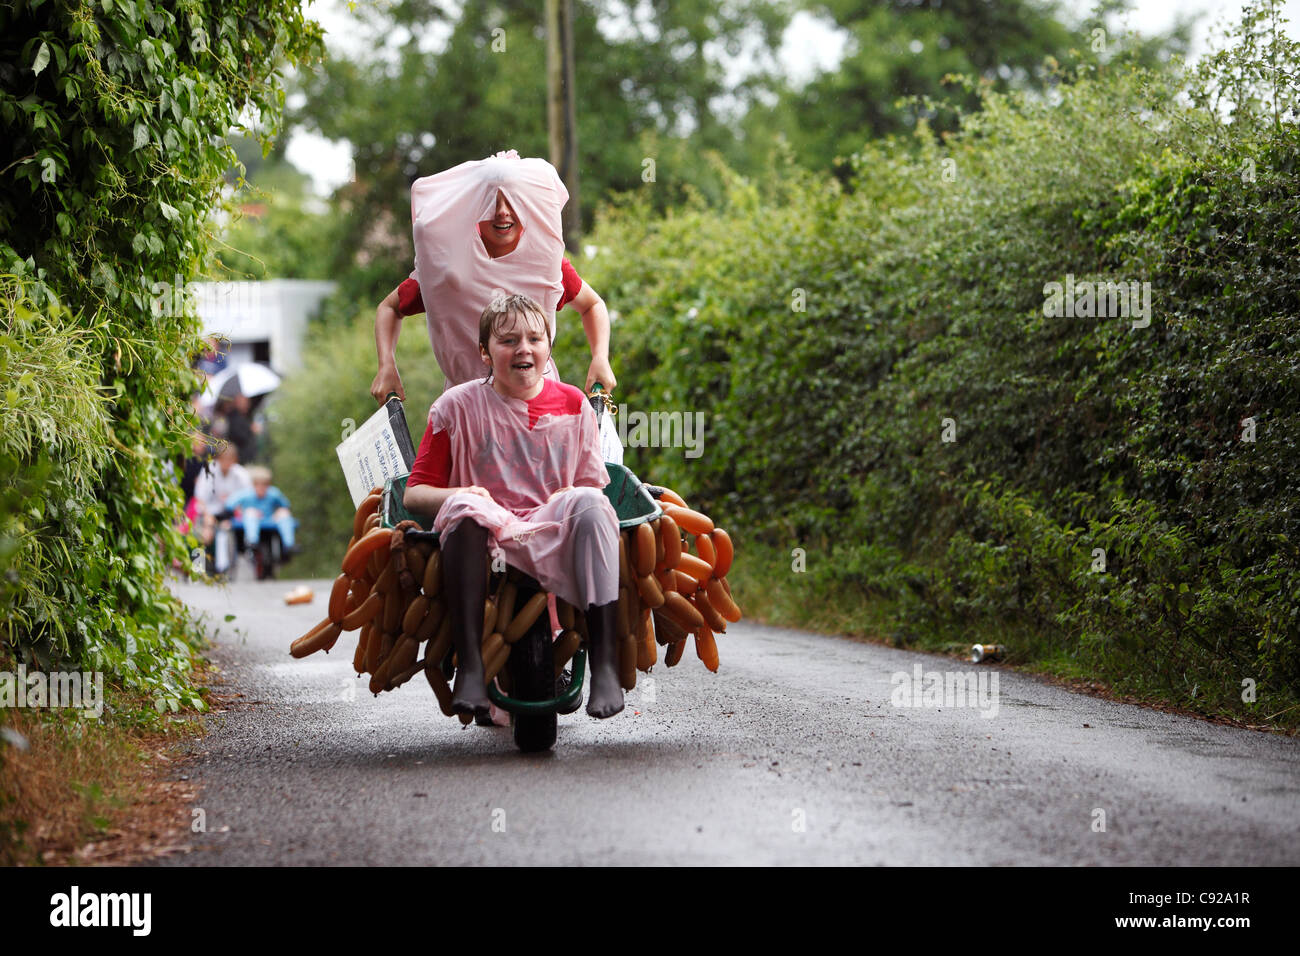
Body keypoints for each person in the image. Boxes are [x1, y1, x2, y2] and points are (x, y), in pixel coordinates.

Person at [402, 294, 624, 720]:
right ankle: (469, 665)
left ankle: (606, 667)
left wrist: (569, 496)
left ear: (548, 349)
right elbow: (415, 494)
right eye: (508, 341)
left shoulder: (574, 403)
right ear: (484, 352)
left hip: (551, 527)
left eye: (534, 338)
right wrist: (464, 494)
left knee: (593, 505)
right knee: (465, 507)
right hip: (485, 536)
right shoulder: (455, 407)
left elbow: (590, 484)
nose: (524, 348)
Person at [369, 149, 618, 402]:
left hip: (539, 408)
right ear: (474, 207)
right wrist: (386, 366)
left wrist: (600, 358)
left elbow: (592, 305)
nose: (502, 211)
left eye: (513, 200)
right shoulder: (447, 268)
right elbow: (389, 308)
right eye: (490, 201)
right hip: (467, 411)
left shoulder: (544, 262)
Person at [227, 466, 297, 559]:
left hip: (269, 520)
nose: (261, 487)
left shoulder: (274, 493)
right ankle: (252, 542)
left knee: (284, 513)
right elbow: (229, 505)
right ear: (253, 484)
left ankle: (289, 544)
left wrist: (277, 512)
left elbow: (286, 506)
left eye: (265, 484)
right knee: (250, 512)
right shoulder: (245, 494)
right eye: (258, 484)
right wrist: (240, 511)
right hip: (251, 520)